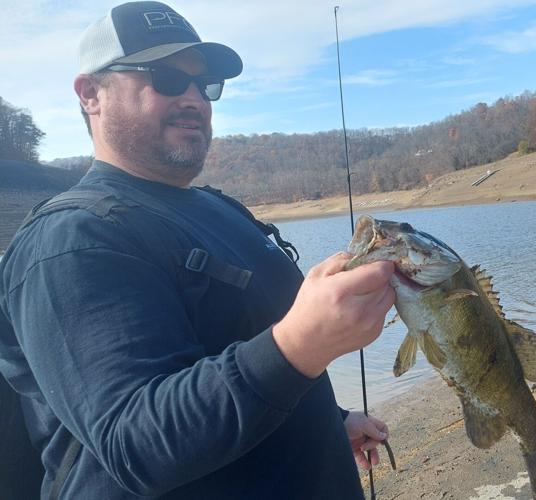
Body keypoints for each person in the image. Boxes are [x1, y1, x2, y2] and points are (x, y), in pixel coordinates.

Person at [0, 2, 396, 498]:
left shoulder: (217, 208)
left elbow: (245, 354)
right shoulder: (69, 242)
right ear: (90, 94)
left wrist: (327, 419)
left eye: (205, 85)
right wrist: (303, 343)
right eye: (166, 78)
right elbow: (134, 443)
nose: (194, 98)